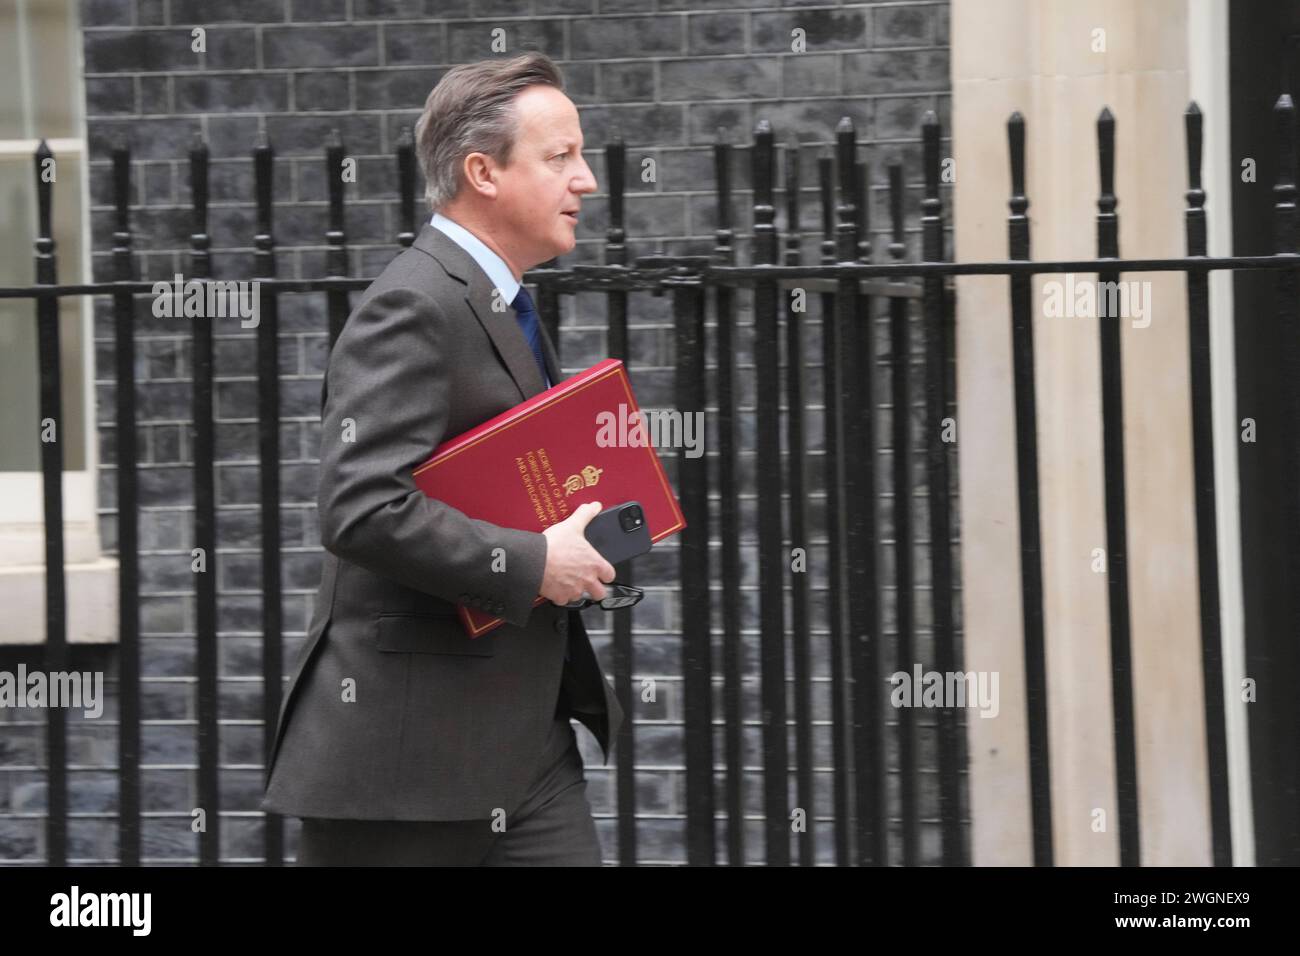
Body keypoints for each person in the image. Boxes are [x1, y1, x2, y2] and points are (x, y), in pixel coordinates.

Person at [260, 51, 623, 866]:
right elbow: (360, 507)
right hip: (408, 766)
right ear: (482, 172)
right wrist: (535, 562)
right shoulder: (412, 302)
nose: (586, 180)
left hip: (523, 747)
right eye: (559, 157)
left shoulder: (496, 296)